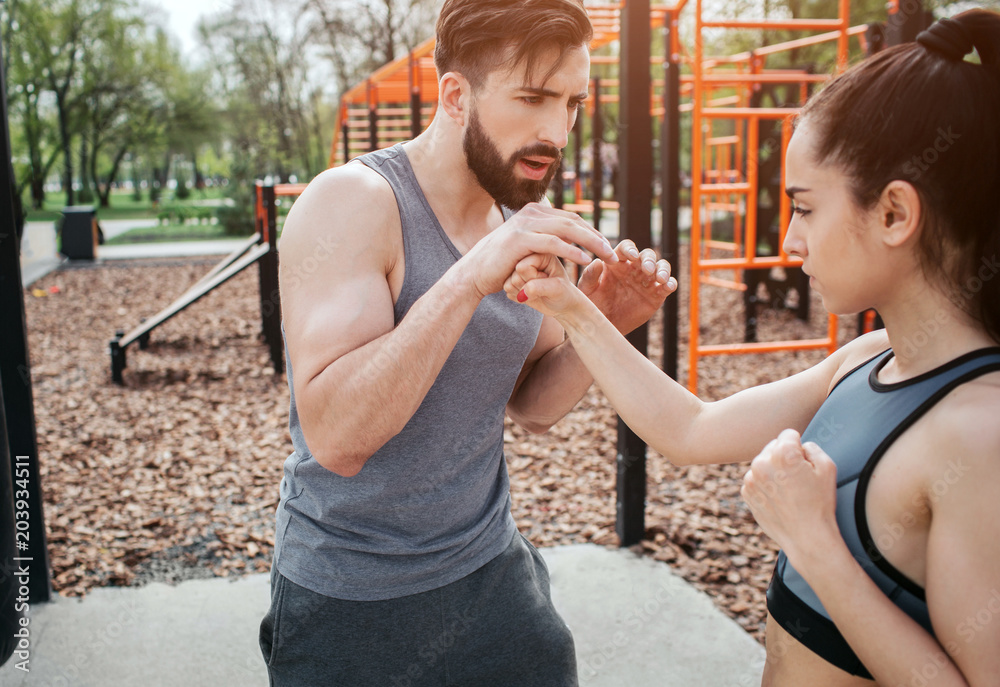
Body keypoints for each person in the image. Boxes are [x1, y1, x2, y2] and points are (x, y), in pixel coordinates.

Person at [506, 9, 1000, 686]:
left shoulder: (978, 434)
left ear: (894, 213)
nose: (790, 242)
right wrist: (574, 309)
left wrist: (813, 543)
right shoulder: (868, 359)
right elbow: (691, 428)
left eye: (805, 208)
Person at [260, 0, 677, 684]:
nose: (557, 131)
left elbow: (533, 405)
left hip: (491, 572)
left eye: (572, 103)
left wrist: (603, 318)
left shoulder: (522, 215)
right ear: (456, 95)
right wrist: (470, 277)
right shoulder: (353, 202)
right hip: (350, 592)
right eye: (533, 98)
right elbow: (337, 438)